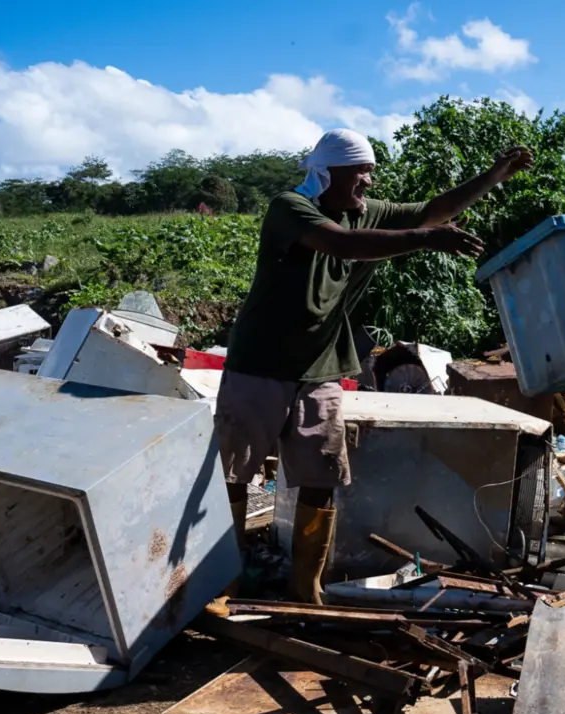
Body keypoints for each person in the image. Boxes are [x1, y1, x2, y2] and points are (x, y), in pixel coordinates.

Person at [217, 128, 533, 603]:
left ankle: (306, 586)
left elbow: (434, 211)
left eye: (370, 172)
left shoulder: (366, 211)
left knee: (321, 473)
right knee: (233, 475)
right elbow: (342, 244)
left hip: (319, 365)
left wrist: (492, 176)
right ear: (330, 173)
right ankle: (225, 584)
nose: (368, 181)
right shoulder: (291, 208)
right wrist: (425, 239)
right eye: (361, 171)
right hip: (258, 363)